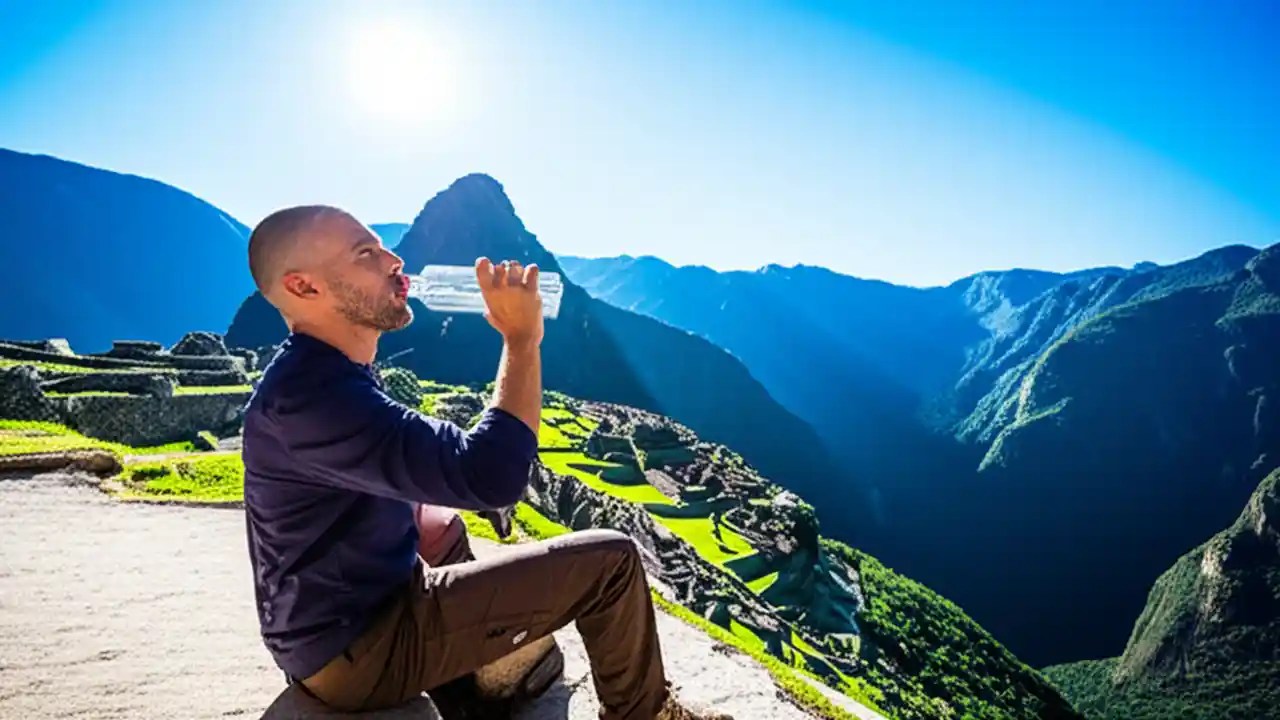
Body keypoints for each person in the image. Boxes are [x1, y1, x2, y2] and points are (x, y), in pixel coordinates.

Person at [239, 205, 728, 720]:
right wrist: (522, 340)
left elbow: (397, 474)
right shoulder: (314, 401)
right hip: (360, 651)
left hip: (338, 627)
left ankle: (479, 677)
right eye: (366, 254)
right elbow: (492, 475)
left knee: (439, 525)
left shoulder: (317, 376)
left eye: (381, 247)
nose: (393, 259)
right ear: (304, 288)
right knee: (612, 563)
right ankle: (647, 715)